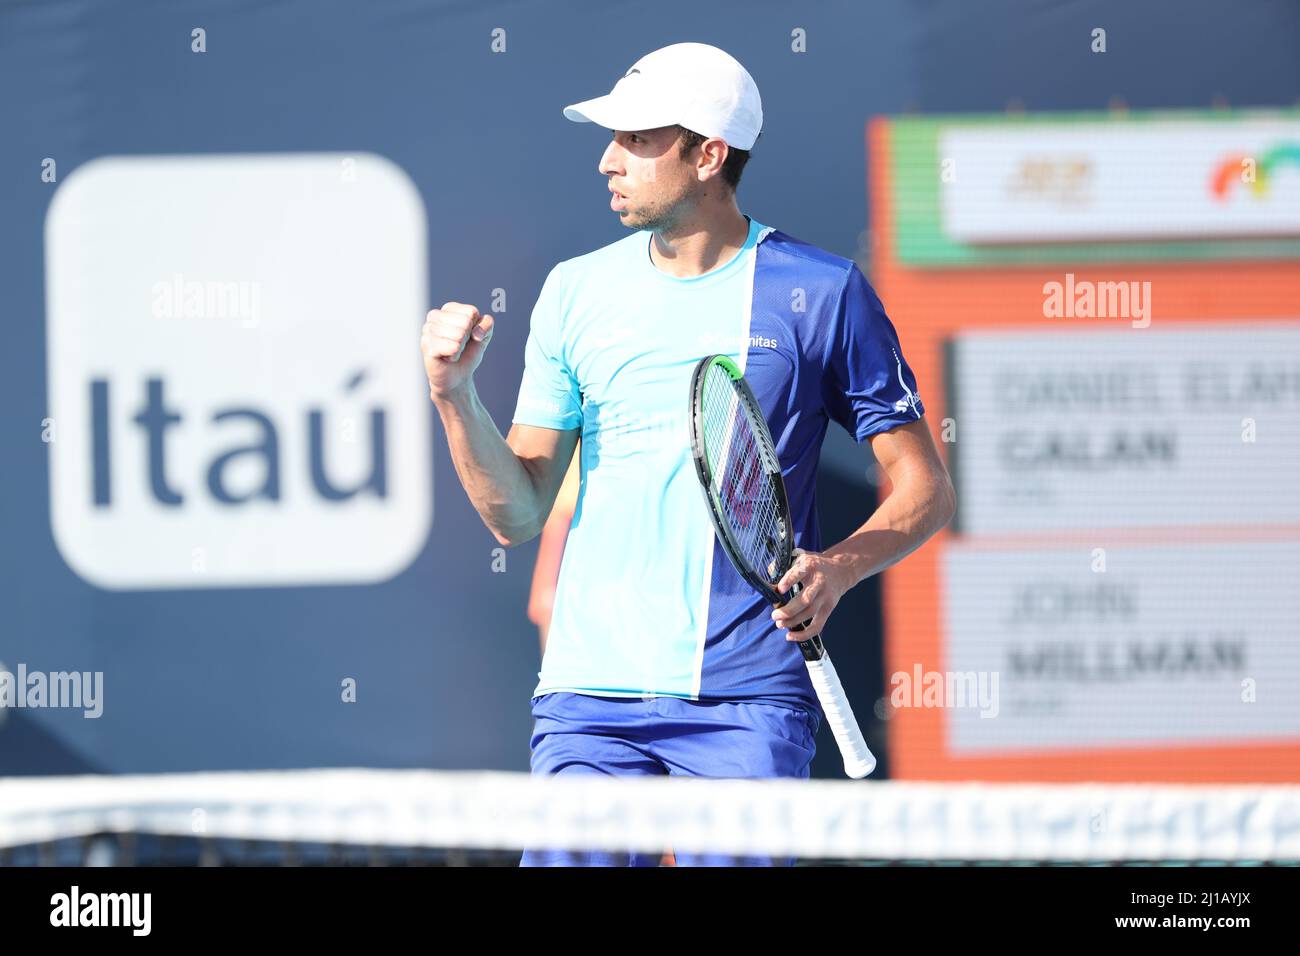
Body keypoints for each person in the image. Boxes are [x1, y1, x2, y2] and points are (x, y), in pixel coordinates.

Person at [420, 42, 955, 866]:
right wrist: (455, 398)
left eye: (636, 140)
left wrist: (841, 567)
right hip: (588, 700)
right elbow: (516, 511)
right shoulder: (574, 291)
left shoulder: (822, 292)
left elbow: (924, 489)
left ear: (708, 156)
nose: (607, 160)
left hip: (749, 697)